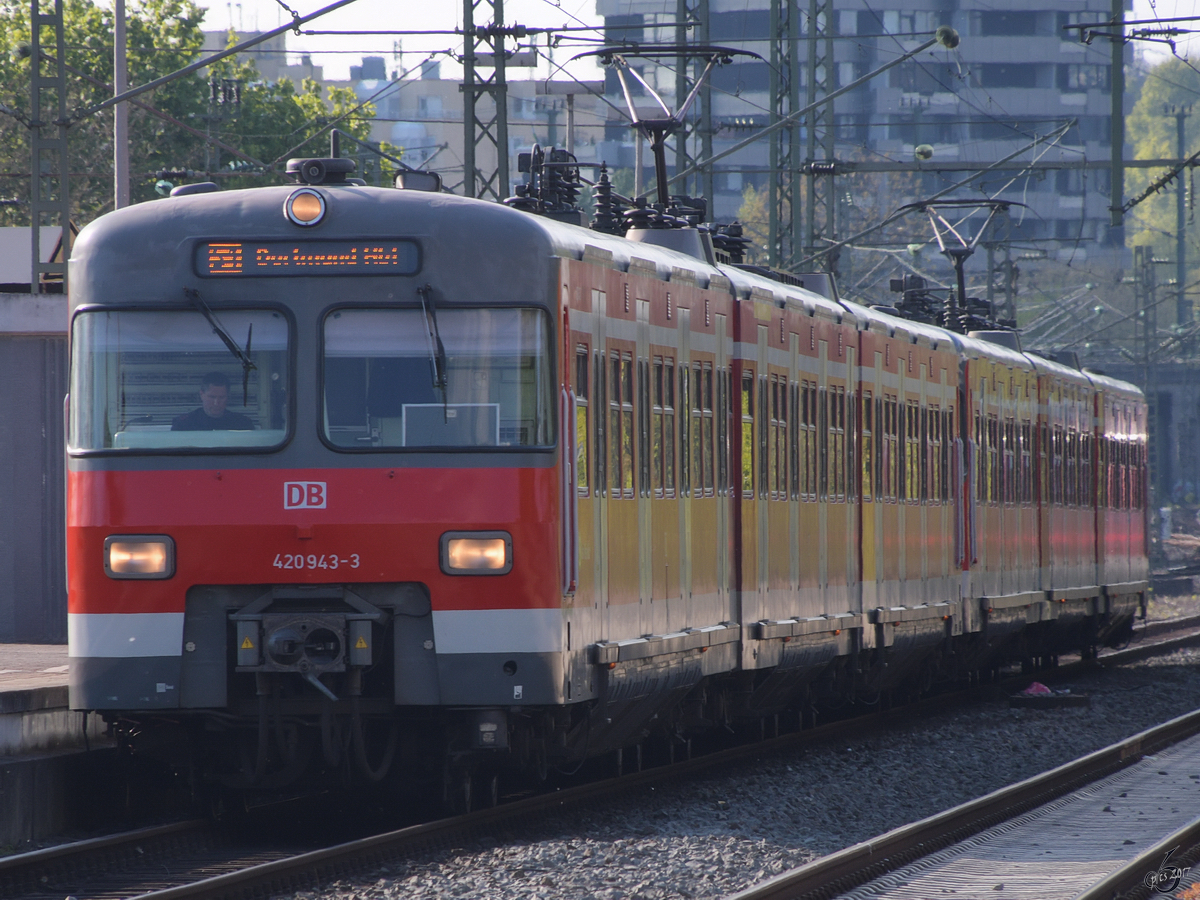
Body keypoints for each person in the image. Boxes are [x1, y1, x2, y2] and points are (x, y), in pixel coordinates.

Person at [172, 372, 255, 431]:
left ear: (228, 396)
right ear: (202, 394)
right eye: (212, 397)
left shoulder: (242, 424)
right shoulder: (184, 425)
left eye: (221, 397)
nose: (216, 403)